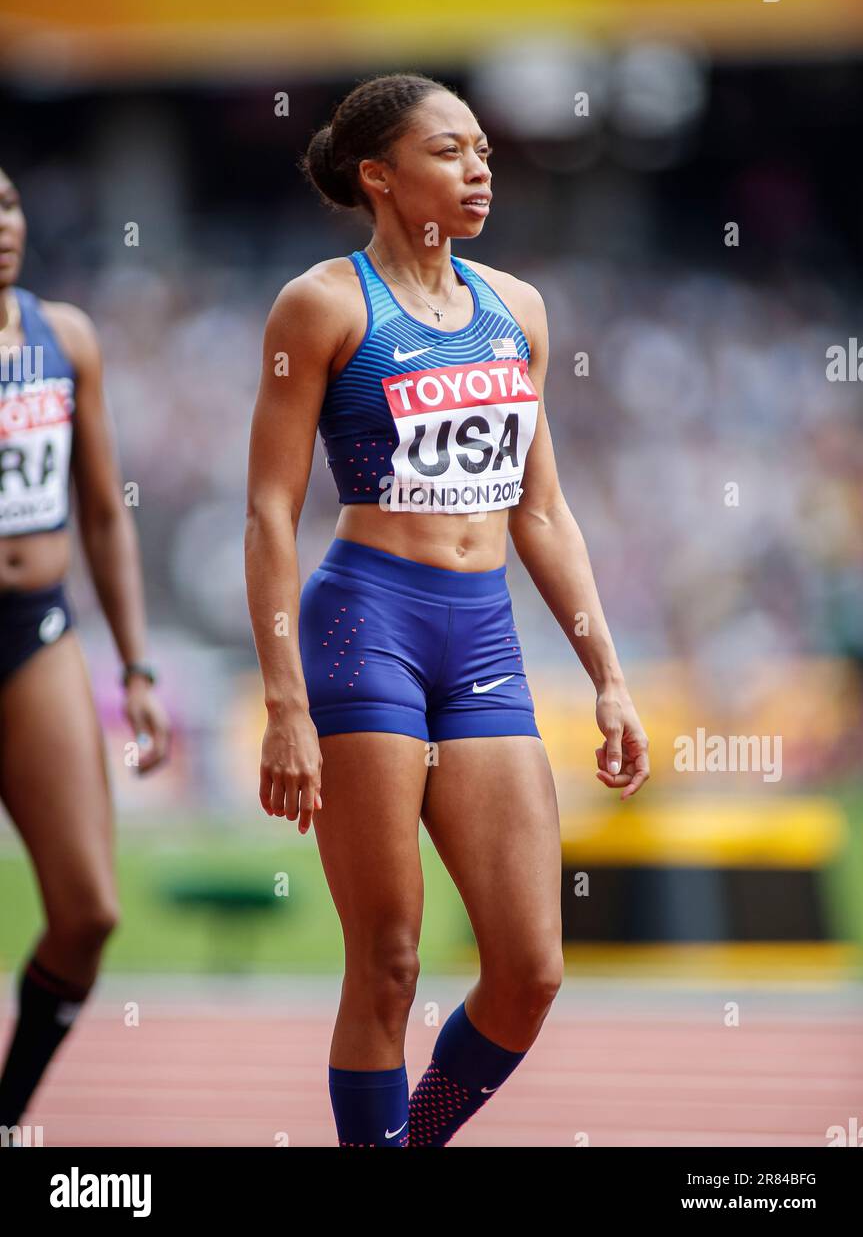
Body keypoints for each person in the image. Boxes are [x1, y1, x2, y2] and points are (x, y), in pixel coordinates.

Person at [244, 73, 650, 1148]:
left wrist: (606, 674)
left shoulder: (515, 308)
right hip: (361, 626)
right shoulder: (323, 304)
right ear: (378, 175)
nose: (477, 169)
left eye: (482, 148)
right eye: (447, 151)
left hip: (480, 636)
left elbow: (543, 508)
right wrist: (283, 702)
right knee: (387, 959)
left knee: (528, 968)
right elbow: (267, 513)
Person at [0, 167, 170, 1136]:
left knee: (89, 911)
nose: (1, 227)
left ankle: (8, 1114)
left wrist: (136, 667)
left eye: (12, 205)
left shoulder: (66, 338)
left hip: (36, 634)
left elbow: (106, 514)